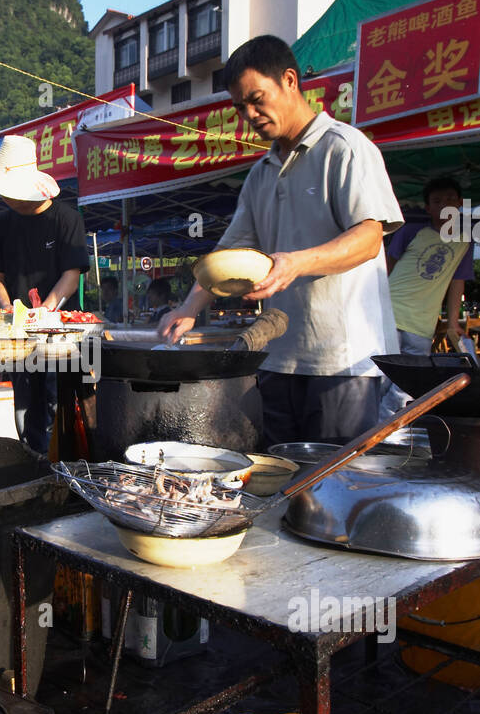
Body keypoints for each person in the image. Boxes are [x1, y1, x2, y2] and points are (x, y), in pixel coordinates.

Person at [158, 34, 403, 446]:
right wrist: (188, 307)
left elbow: (368, 239)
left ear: (290, 80)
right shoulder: (261, 173)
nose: (250, 114)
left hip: (341, 361)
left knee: (333, 486)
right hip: (276, 357)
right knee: (280, 482)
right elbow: (227, 256)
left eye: (257, 99)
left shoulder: (345, 149)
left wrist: (296, 263)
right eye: (240, 107)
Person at [0, 135, 90, 453]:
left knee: (65, 407)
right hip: (19, 338)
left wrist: (46, 310)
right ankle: (36, 470)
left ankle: (76, 475)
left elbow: (71, 277)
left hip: (63, 336)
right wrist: (7, 307)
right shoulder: (3, 224)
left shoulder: (67, 219)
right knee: (28, 414)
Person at [379, 175, 472, 416]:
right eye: (437, 201)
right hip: (389, 312)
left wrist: (453, 322)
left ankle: (390, 432)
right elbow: (385, 267)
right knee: (380, 376)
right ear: (428, 207)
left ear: (460, 203)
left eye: (450, 200)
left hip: (422, 323)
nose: (444, 205)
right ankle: (370, 430)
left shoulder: (464, 240)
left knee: (408, 385)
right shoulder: (411, 231)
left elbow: (456, 283)